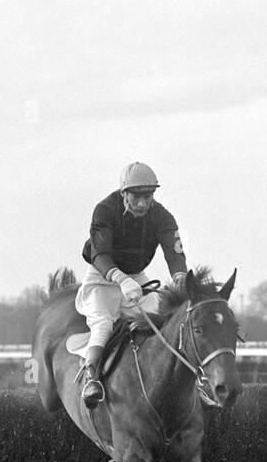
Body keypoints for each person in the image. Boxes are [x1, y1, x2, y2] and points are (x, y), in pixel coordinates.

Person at [75, 162, 188, 407]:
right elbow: (101, 254)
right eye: (136, 196)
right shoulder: (104, 210)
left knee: (157, 323)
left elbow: (175, 253)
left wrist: (181, 279)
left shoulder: (163, 217)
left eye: (147, 196)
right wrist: (120, 279)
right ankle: (91, 379)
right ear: (123, 193)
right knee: (103, 324)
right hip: (103, 275)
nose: (142, 203)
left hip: (136, 275)